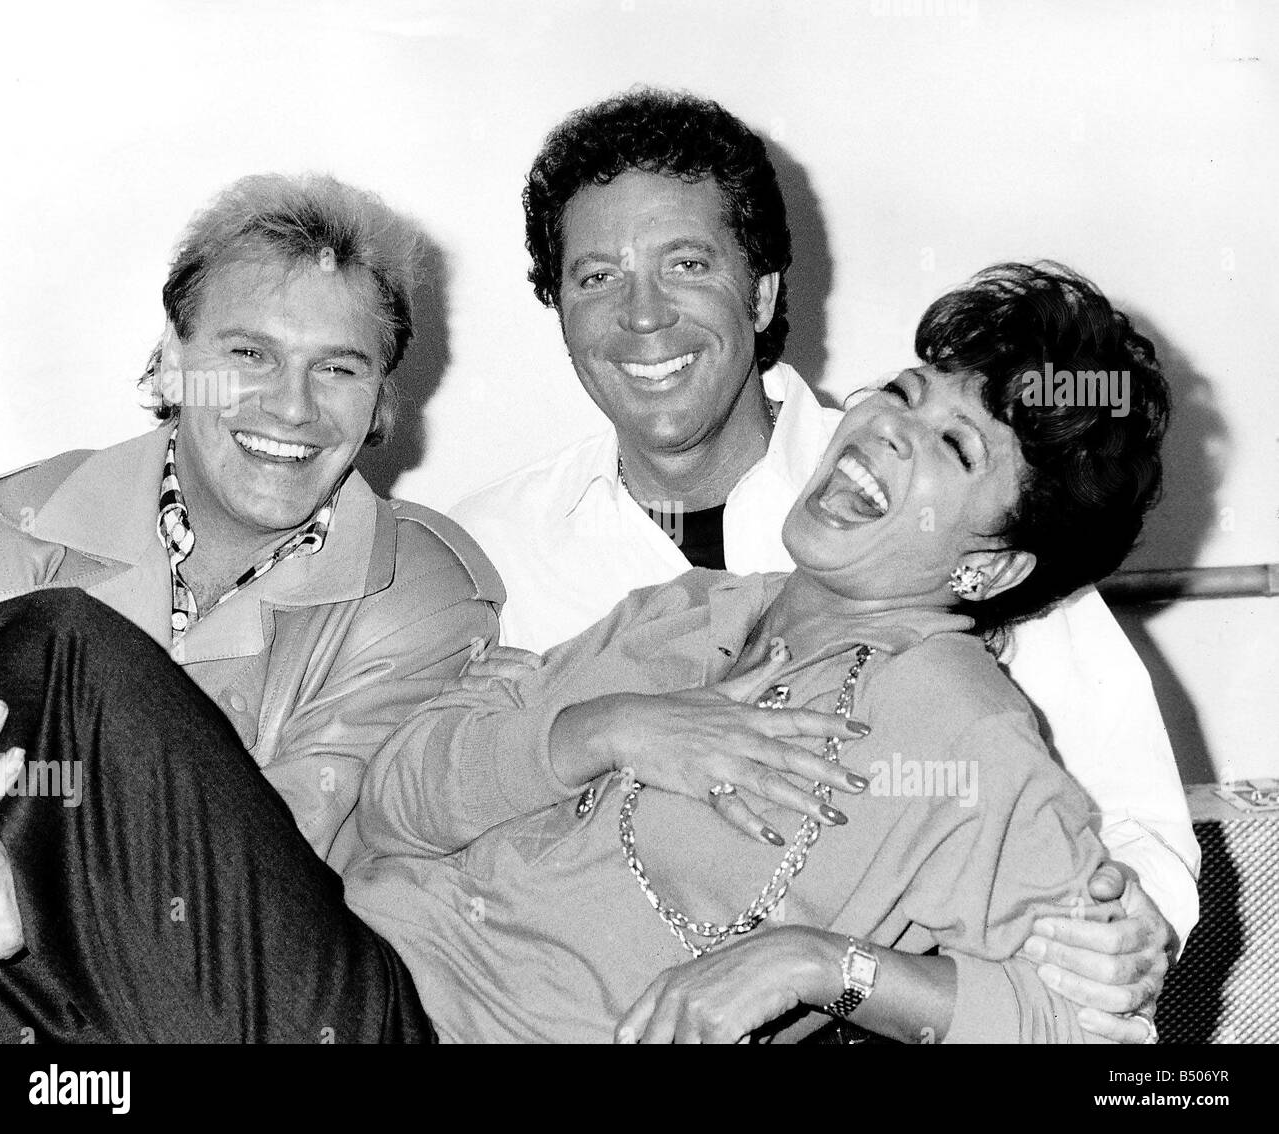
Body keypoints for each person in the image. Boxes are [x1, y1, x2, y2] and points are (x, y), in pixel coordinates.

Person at [0, 262, 1172, 1043]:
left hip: (424, 1036)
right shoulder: (682, 611)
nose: (878, 436)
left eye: (949, 448)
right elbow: (397, 802)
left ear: (995, 566)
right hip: (332, 968)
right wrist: (600, 732)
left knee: (65, 656)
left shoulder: (959, 730)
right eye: (900, 395)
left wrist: (819, 965)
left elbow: (1112, 1043)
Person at [449, 88, 1196, 1040]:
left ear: (759, 293)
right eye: (595, 277)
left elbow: (1124, 851)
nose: (642, 317)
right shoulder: (487, 549)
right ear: (557, 307)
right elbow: (414, 793)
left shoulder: (963, 532)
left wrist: (1124, 935)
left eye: (685, 264)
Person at [0, 172, 506, 872]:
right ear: (173, 363)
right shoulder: (9, 526)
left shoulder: (420, 598)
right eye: (249, 355)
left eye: (339, 369)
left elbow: (255, 875)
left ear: (381, 397)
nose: (293, 406)